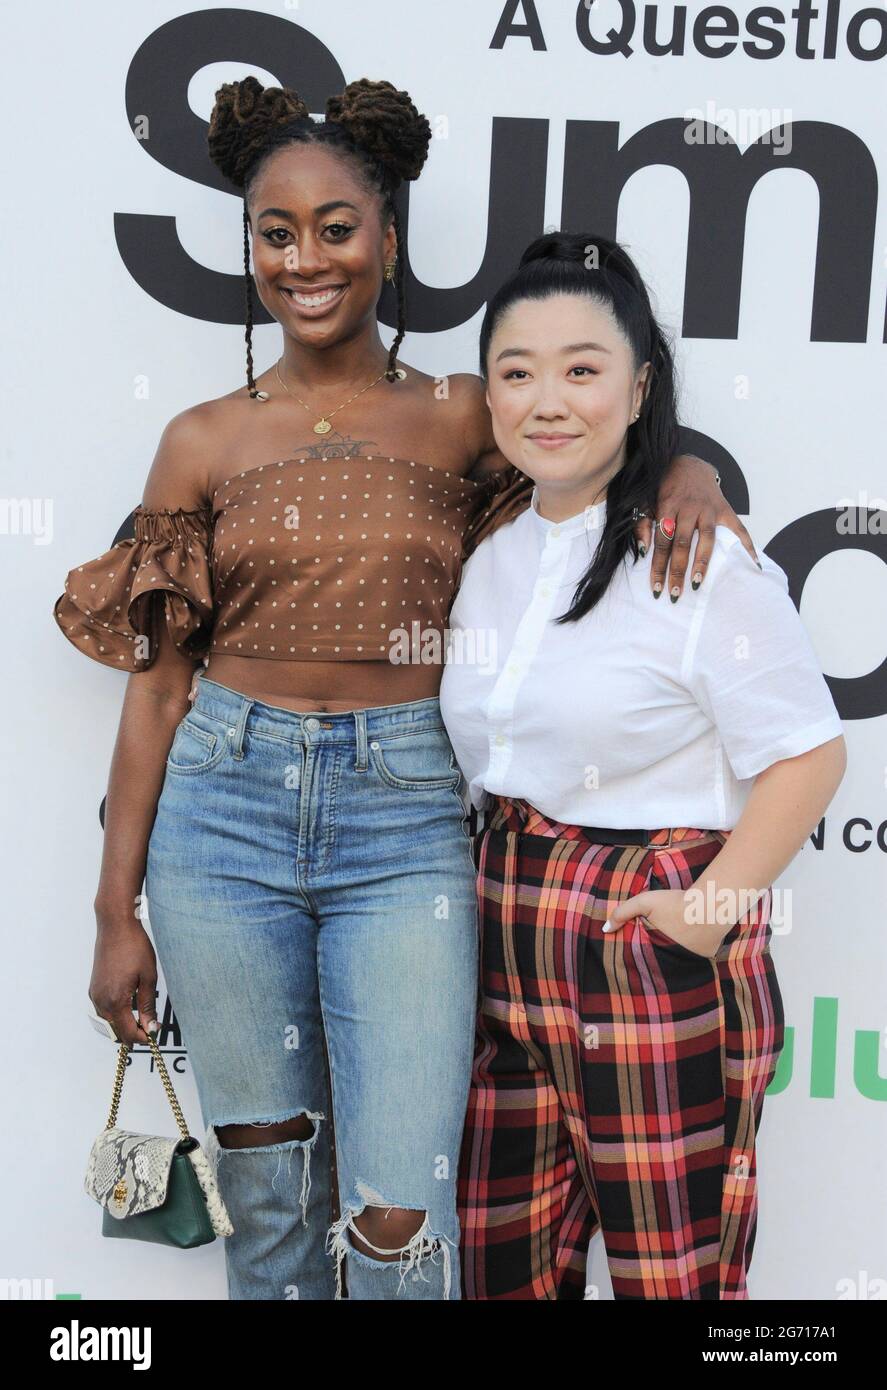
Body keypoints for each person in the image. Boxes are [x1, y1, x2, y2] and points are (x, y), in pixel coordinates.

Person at [54, 77, 751, 1301]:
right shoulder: (202, 439)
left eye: (337, 227)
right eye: (276, 233)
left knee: (402, 1204)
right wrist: (118, 913)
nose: (305, 258)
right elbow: (159, 691)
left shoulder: (461, 412)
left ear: (387, 236)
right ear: (250, 248)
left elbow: (589, 431)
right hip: (219, 817)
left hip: (404, 817)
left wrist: (685, 465)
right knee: (268, 1186)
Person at [439, 232, 847, 1300]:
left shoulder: (694, 554)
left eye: (582, 369)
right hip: (504, 926)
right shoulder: (489, 557)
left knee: (676, 1277)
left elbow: (807, 751)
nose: (547, 400)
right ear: (487, 396)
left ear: (638, 387)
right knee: (500, 1266)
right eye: (516, 373)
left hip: (645, 928)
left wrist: (703, 912)